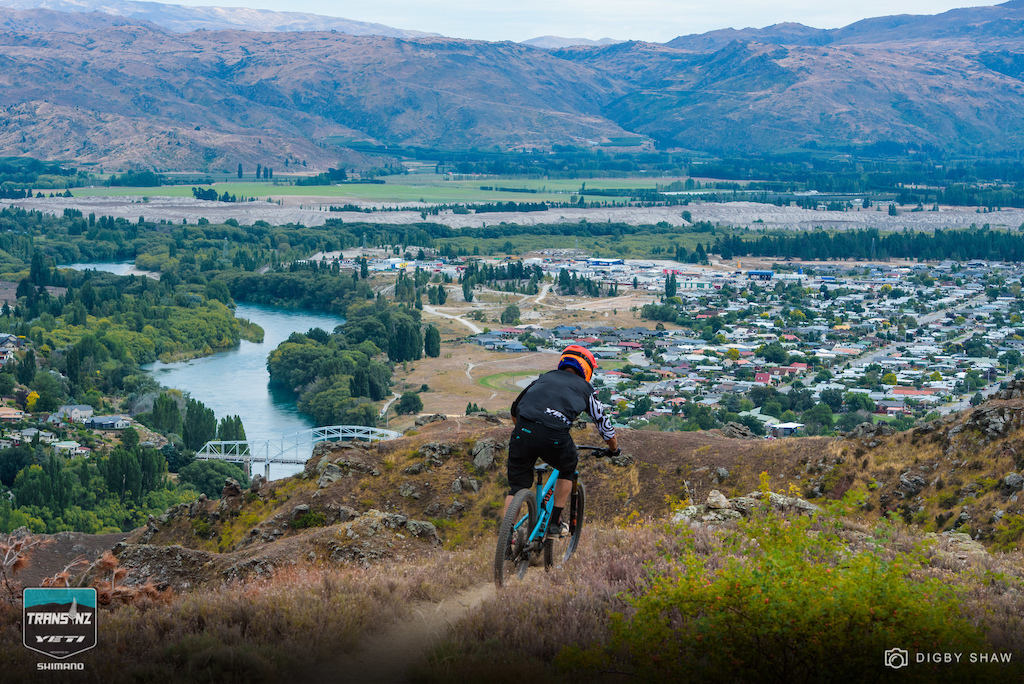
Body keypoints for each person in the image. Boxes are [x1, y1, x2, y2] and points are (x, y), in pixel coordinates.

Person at [507, 344, 618, 539]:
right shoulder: (585, 389)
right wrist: (614, 448)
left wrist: (524, 430)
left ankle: (507, 537)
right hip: (554, 436)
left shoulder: (544, 378)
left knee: (516, 488)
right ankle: (554, 524)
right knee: (568, 467)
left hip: (522, 431)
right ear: (587, 370)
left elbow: (515, 409)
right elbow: (602, 422)